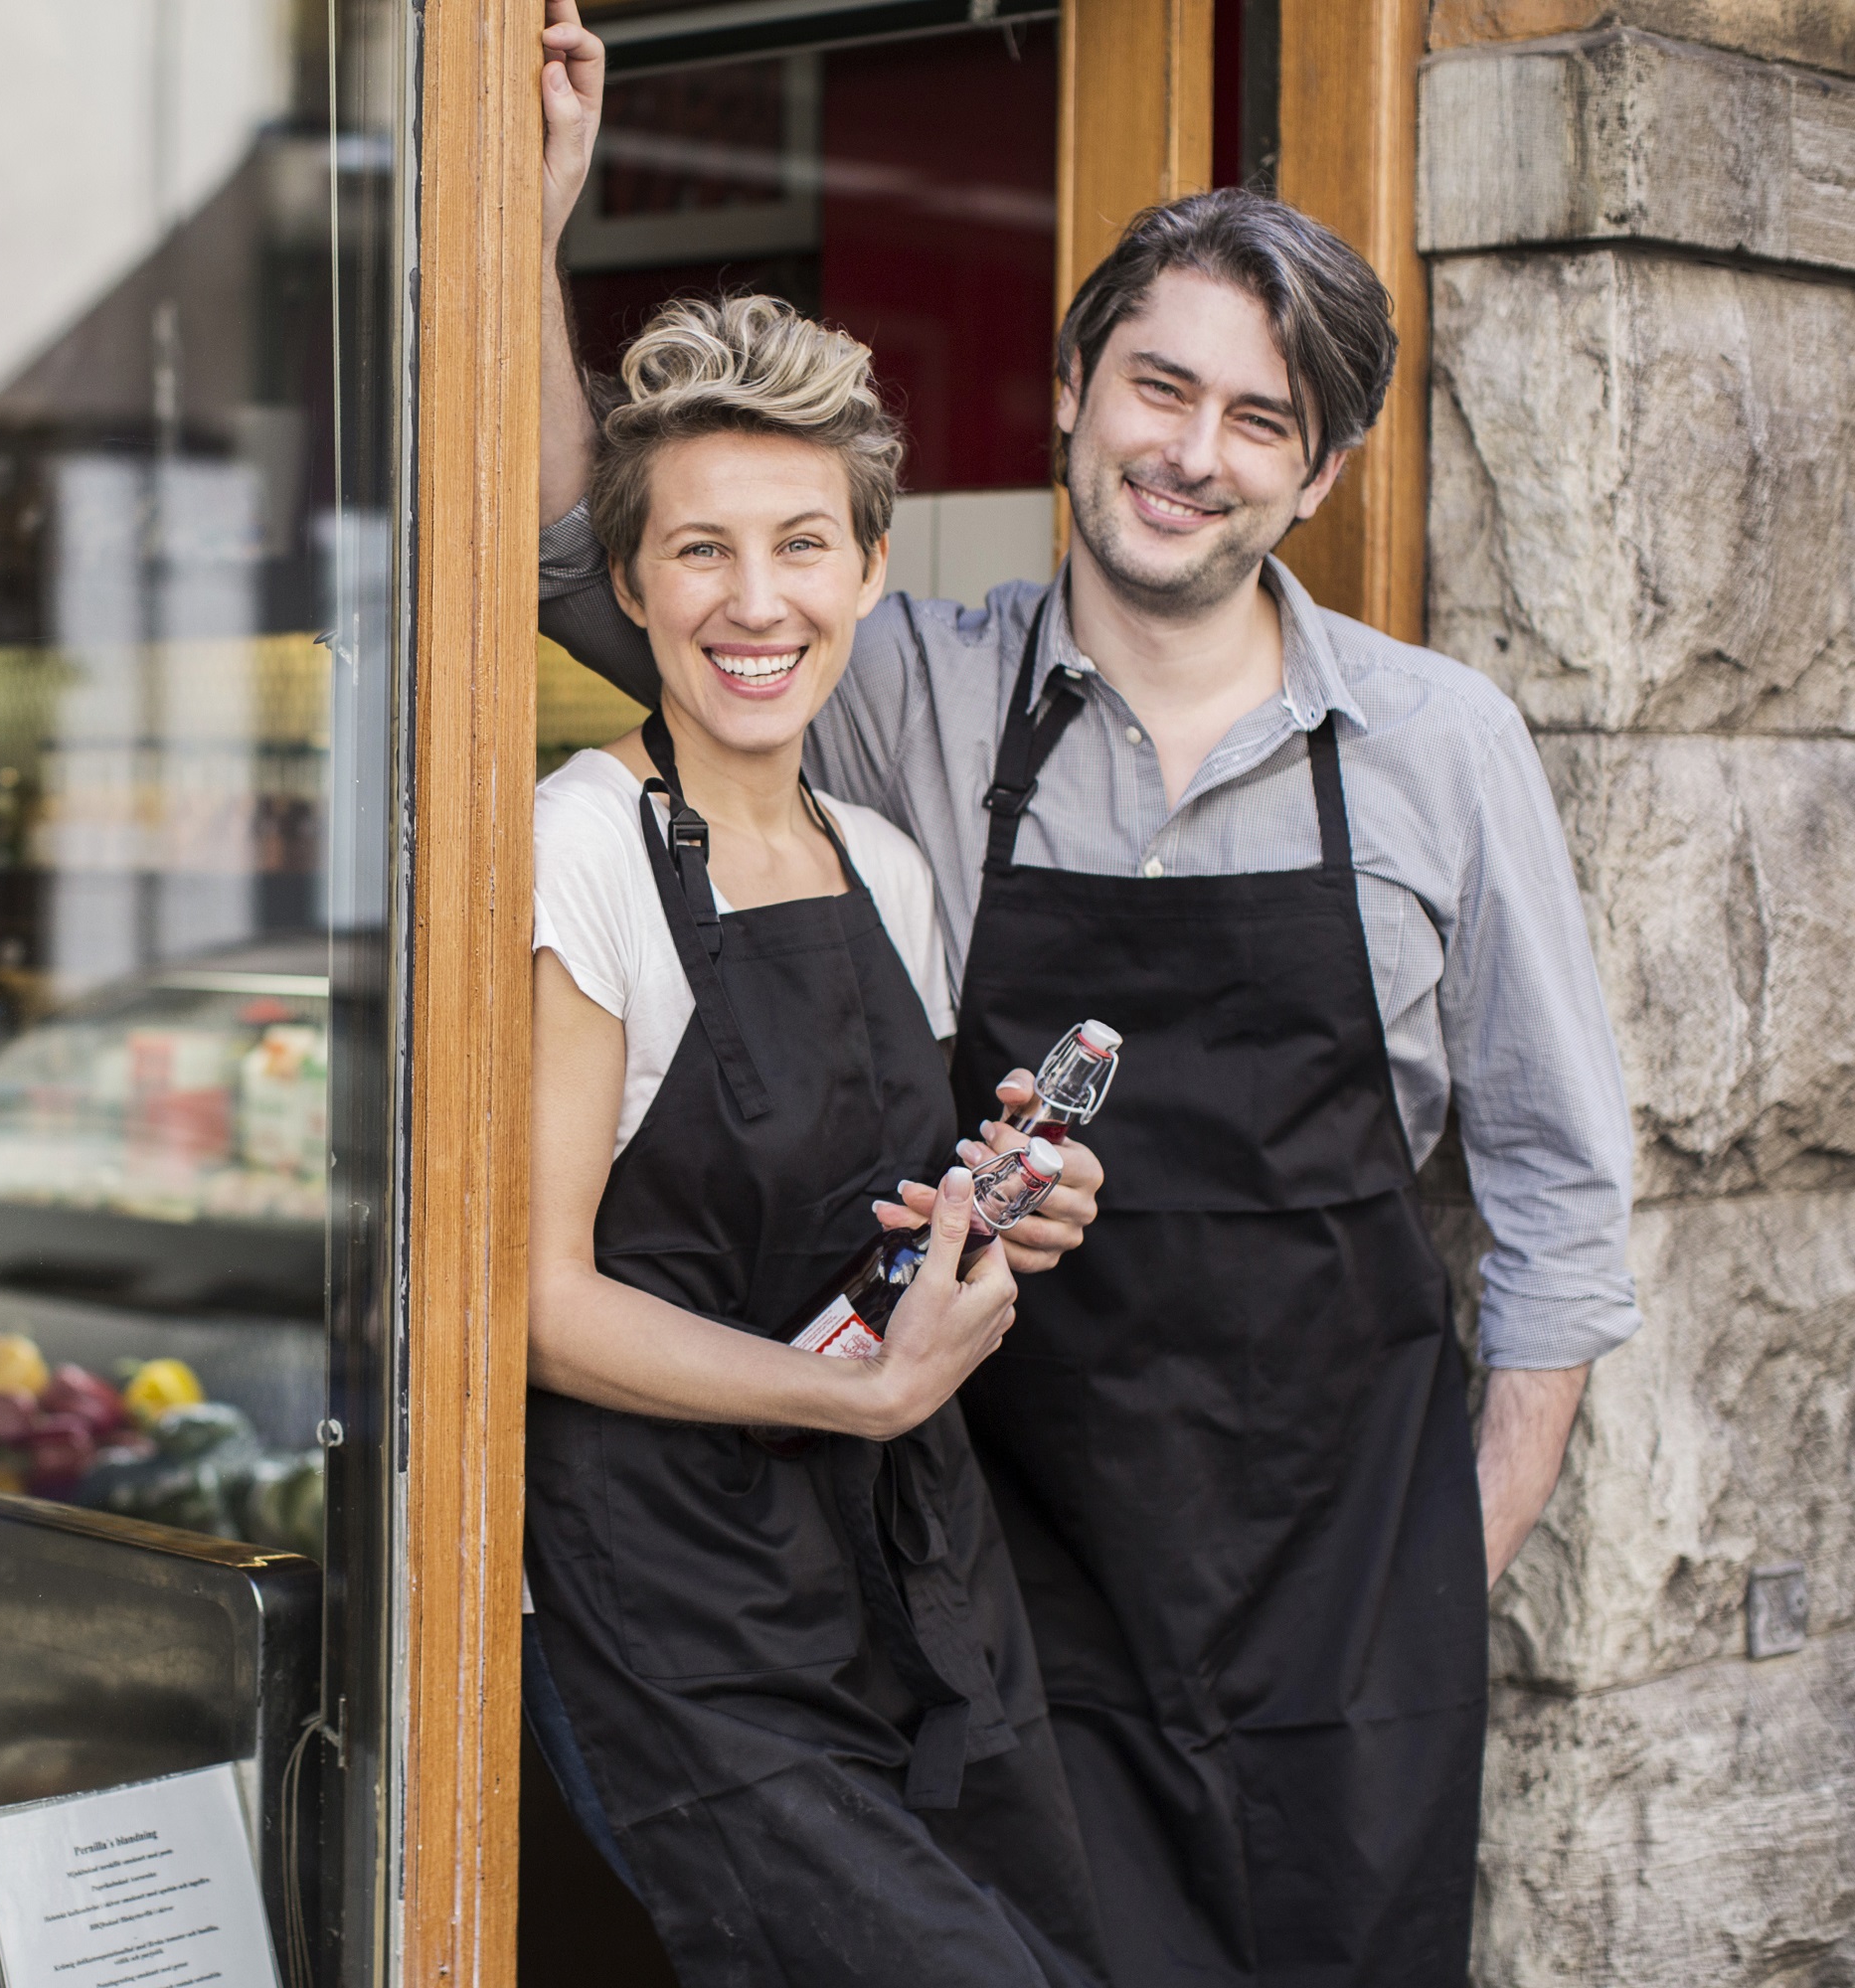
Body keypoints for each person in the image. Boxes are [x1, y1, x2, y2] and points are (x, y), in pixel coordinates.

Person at [529, 7, 1642, 1984]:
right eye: (1160, 386)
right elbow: (589, 566)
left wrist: (1441, 1576)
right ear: (1069, 392)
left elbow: (1557, 1190)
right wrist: (534, 227)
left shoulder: (1441, 746)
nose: (1192, 455)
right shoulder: (909, 690)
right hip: (1014, 1589)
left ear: (1322, 471)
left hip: (1343, 1613)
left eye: (1260, 421)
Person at [523, 289, 1110, 1987]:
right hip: (671, 1600)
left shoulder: (885, 863)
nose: (755, 601)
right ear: (631, 586)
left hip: (902, 1555)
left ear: (870, 567)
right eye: (700, 553)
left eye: (803, 544)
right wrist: (853, 1390)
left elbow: (871, 1221)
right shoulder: (578, 851)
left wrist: (1001, 1217)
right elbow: (538, 1304)